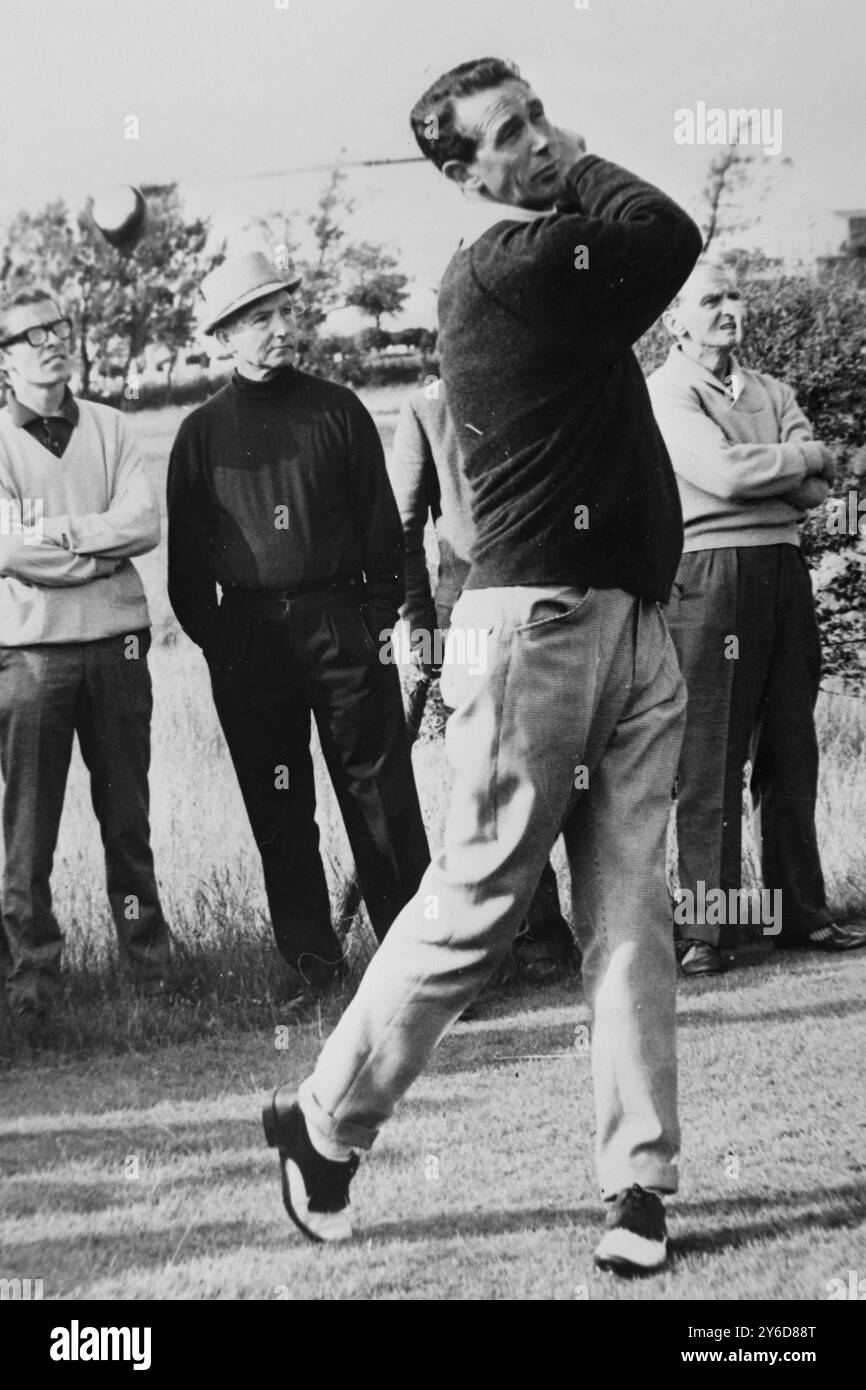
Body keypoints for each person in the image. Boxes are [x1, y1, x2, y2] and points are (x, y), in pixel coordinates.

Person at [262, 57, 703, 1276]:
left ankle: (635, 1188)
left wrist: (560, 168)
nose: (544, 144)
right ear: (461, 178)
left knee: (630, 916)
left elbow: (637, 249)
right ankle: (320, 1123)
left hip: (626, 621)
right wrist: (580, 175)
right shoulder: (510, 267)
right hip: (534, 632)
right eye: (508, 138)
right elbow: (664, 230)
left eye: (539, 119)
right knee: (475, 905)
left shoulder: (555, 261)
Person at [167, 252, 429, 1005]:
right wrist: (226, 643)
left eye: (285, 311)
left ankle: (417, 969)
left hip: (341, 626)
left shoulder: (338, 410)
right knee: (279, 807)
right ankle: (314, 969)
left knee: (380, 796)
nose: (280, 328)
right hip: (251, 642)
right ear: (222, 336)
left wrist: (376, 619)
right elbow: (186, 573)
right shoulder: (200, 435)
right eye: (259, 318)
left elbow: (385, 529)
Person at [647, 260, 866, 976]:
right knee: (711, 753)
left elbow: (813, 493)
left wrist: (780, 473)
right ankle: (710, 931)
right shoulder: (666, 391)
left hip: (782, 572)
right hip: (710, 578)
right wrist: (798, 460)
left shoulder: (772, 389)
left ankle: (801, 913)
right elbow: (726, 475)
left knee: (791, 748)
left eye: (736, 295)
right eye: (710, 299)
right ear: (675, 318)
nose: (728, 309)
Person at [0, 287, 170, 1019]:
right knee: (29, 830)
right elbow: (7, 548)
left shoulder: (113, 427)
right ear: (4, 360)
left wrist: (61, 539)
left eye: (58, 327)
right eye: (31, 335)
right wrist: (99, 548)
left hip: (119, 648)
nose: (51, 341)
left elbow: (144, 523)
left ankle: (150, 966)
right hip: (31, 655)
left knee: (127, 820)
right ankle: (34, 982)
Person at [389, 383, 576, 983]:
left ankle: (602, 933)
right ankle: (531, 937)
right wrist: (420, 621)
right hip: (465, 608)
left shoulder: (553, 372)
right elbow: (402, 524)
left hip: (565, 598)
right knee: (491, 770)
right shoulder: (427, 405)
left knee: (575, 759)